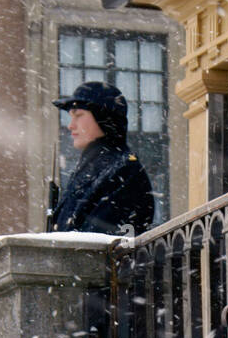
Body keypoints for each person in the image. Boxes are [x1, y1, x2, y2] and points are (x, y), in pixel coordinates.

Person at [49, 80, 155, 236]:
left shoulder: (124, 169)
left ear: (103, 118)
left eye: (78, 115)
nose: (71, 125)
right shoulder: (91, 169)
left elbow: (100, 241)